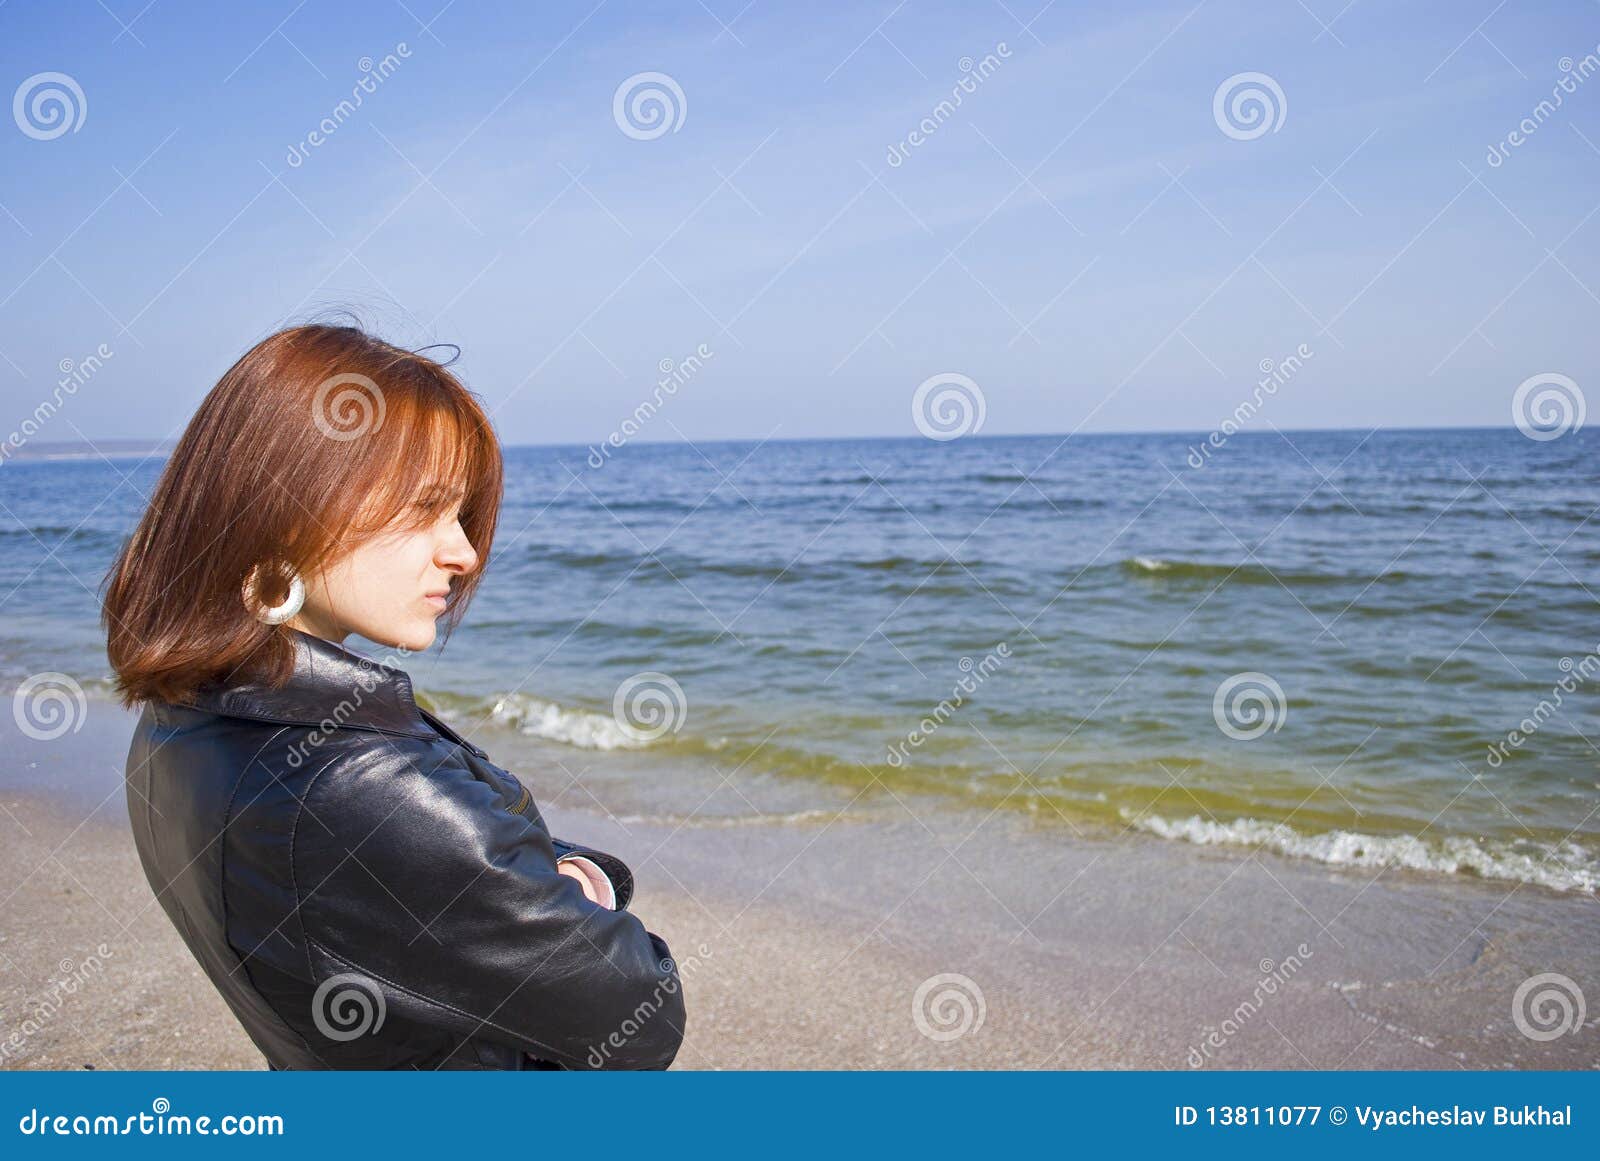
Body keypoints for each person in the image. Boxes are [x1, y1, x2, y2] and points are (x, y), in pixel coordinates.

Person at [100, 322, 685, 1070]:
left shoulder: (186, 717)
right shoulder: (356, 781)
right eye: (425, 509)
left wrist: (550, 876)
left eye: (461, 513)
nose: (464, 551)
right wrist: (577, 884)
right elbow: (644, 1014)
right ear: (288, 504)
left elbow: (424, 871)